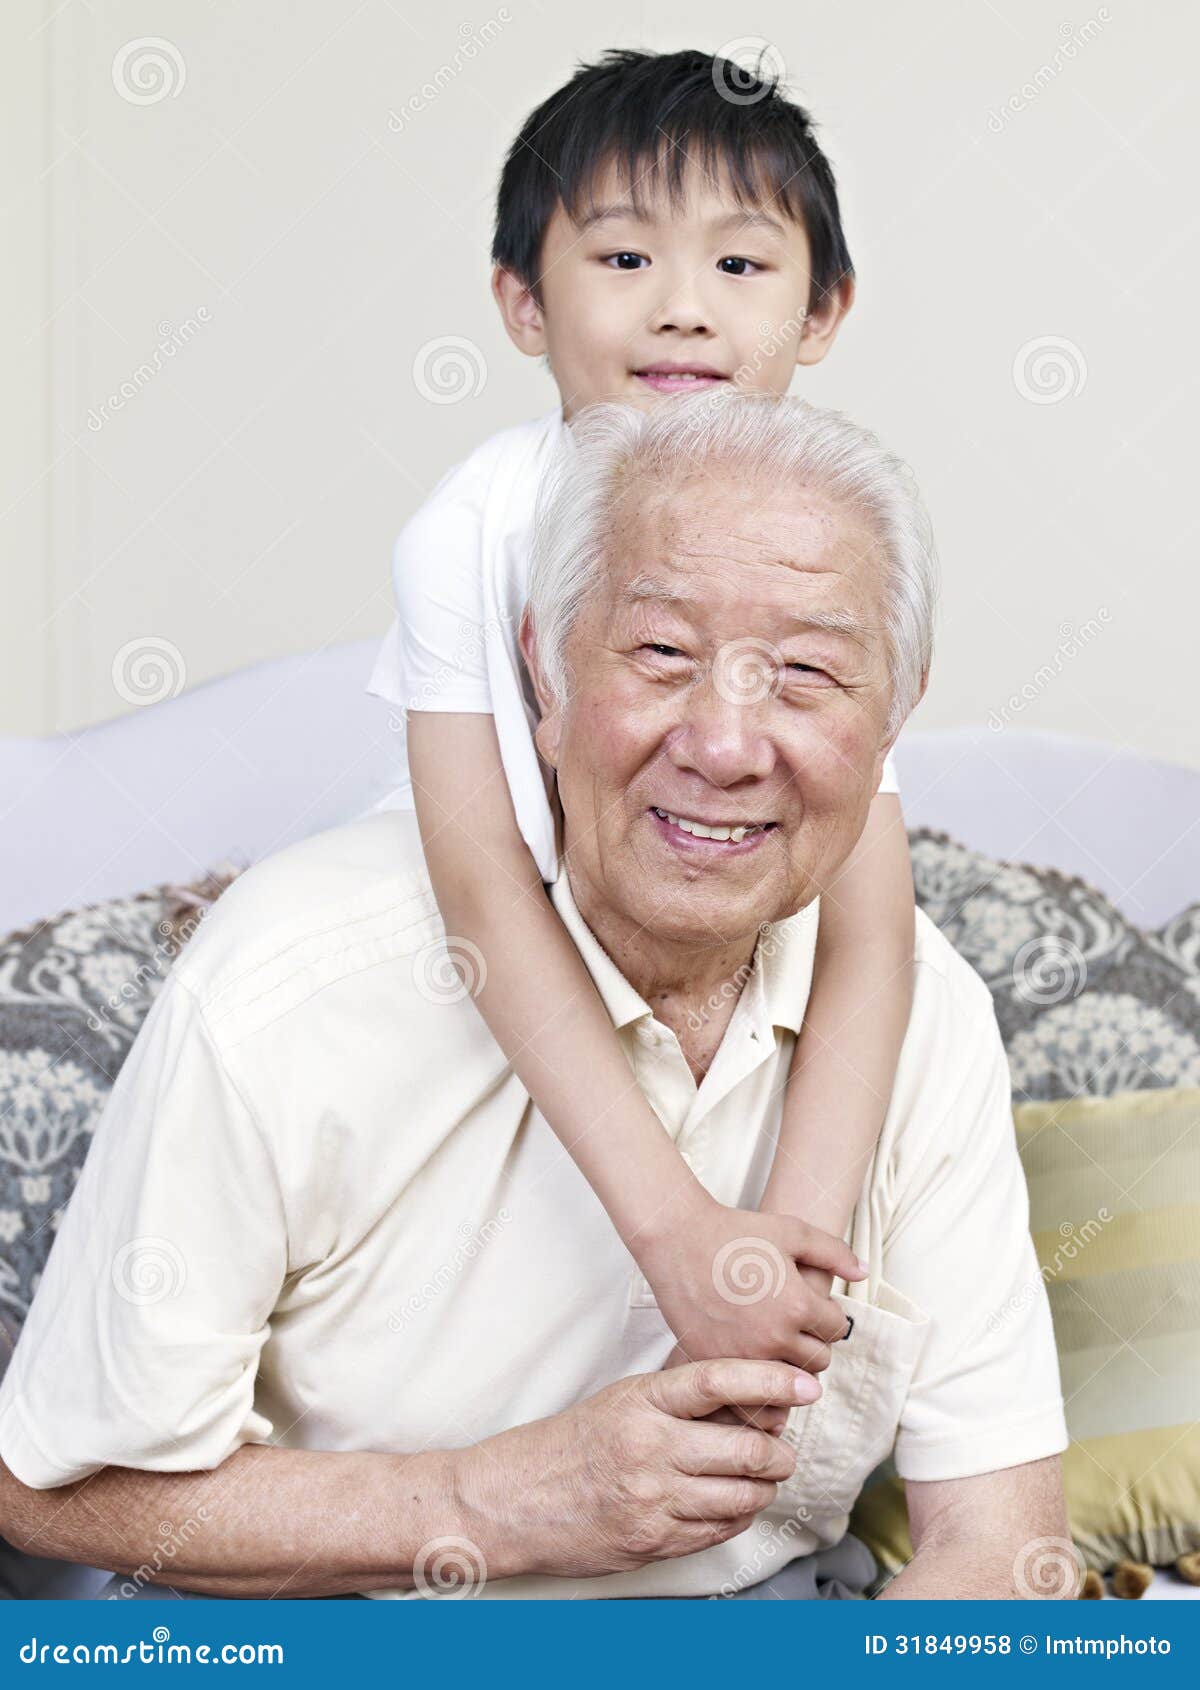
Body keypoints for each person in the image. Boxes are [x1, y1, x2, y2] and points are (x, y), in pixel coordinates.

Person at [0, 394, 1070, 1599]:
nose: (724, 744)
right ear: (543, 675)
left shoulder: (922, 1007)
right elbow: (53, 1490)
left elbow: (999, 1546)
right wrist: (491, 1501)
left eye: (809, 673)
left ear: (896, 715)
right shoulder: (292, 984)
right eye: (661, 654)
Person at [367, 47, 917, 1388]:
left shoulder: (825, 534)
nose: (683, 311)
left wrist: (787, 1238)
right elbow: (486, 891)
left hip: (703, 953)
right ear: (521, 302)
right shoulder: (472, 526)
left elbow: (873, 921)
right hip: (512, 956)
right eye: (622, 262)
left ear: (824, 308)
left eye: (740, 267)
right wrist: (676, 1231)